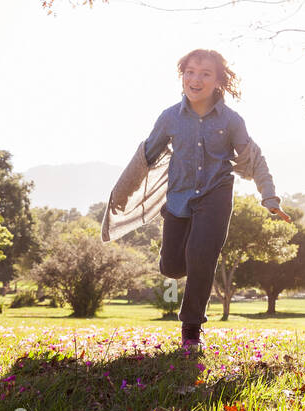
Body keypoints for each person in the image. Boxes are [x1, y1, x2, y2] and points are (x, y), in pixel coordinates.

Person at [111, 48, 290, 352]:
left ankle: (191, 329)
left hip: (215, 195)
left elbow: (253, 158)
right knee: (171, 266)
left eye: (205, 73)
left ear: (218, 81)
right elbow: (145, 156)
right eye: (190, 72)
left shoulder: (232, 121)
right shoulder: (170, 117)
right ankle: (179, 265)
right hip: (179, 198)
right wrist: (121, 192)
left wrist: (268, 197)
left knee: (201, 256)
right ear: (182, 76)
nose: (195, 79)